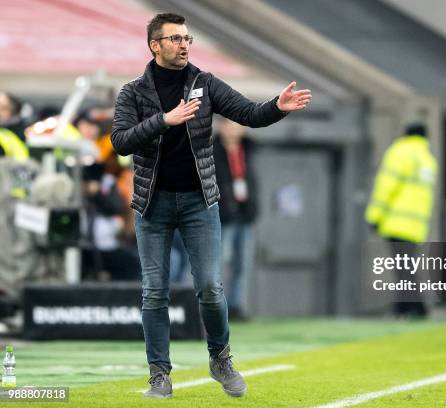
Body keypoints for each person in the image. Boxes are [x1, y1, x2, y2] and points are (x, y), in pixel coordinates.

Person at [111, 13, 311, 399]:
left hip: (199, 203)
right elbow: (120, 141)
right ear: (155, 45)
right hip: (151, 205)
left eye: (187, 38)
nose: (184, 44)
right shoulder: (133, 92)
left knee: (209, 287)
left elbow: (249, 114)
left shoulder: (205, 84)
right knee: (155, 291)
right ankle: (159, 374)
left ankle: (220, 359)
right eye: (175, 39)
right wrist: (164, 120)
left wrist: (277, 106)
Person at [365, 123, 438, 317]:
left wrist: (374, 216)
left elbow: (387, 186)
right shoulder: (427, 159)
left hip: (397, 222)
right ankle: (406, 307)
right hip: (416, 226)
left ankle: (414, 308)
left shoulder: (401, 152)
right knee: (405, 267)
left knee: (402, 269)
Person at [213, 118, 258, 321]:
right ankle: (215, 306)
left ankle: (236, 305)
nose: (232, 130)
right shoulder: (212, 151)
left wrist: (253, 208)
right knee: (222, 261)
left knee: (243, 262)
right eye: (228, 125)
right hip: (224, 216)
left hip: (244, 214)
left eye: (236, 125)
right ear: (221, 127)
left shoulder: (247, 150)